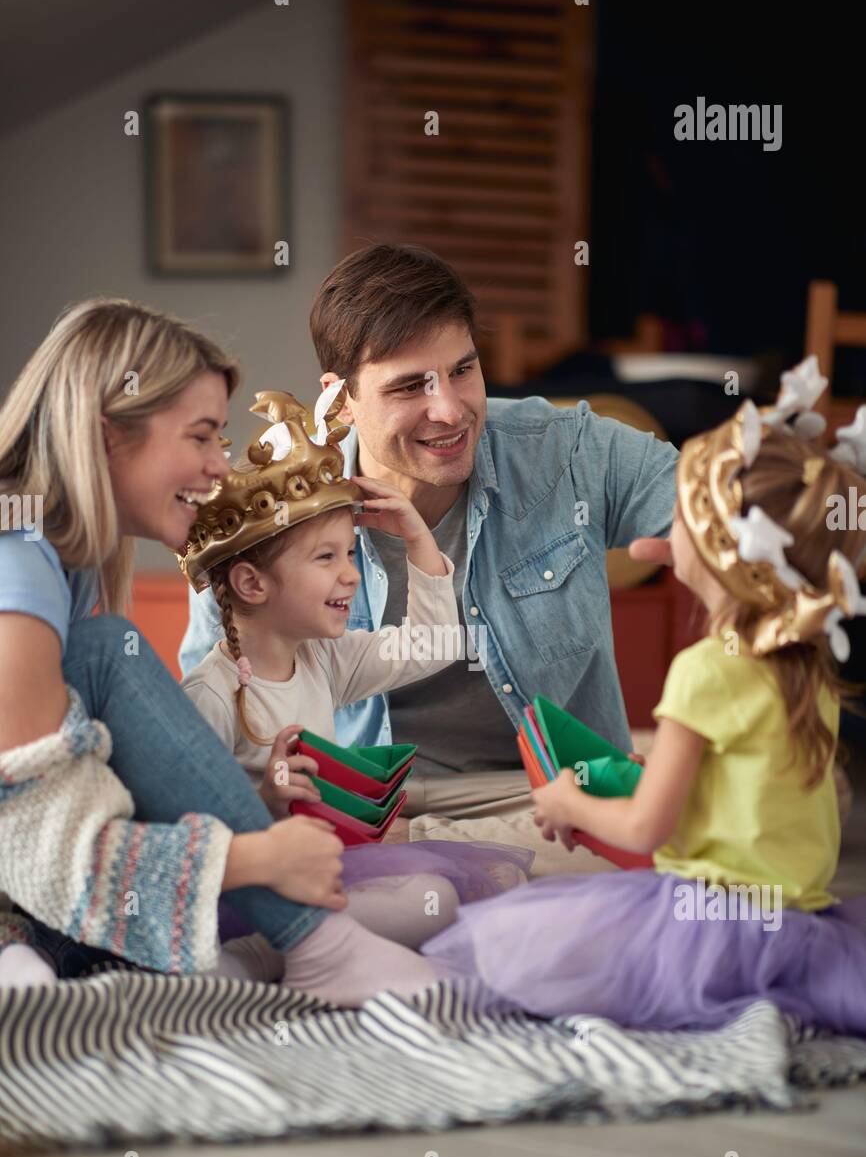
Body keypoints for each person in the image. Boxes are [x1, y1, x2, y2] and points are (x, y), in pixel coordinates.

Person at [0, 299, 443, 1003]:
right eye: (202, 437)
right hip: (39, 898)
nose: (218, 467)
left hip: (67, 901)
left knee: (422, 895)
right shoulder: (17, 577)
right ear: (108, 435)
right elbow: (56, 858)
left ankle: (294, 948)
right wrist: (254, 856)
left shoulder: (68, 568)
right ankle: (316, 948)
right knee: (108, 647)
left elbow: (427, 647)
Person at [180, 244, 678, 863]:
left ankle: (432, 863)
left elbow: (730, 510)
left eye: (463, 370)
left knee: (671, 841)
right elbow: (210, 730)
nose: (449, 410)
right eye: (410, 385)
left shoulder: (566, 454)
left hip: (540, 798)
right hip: (350, 810)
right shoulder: (266, 509)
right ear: (340, 399)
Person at [422, 362, 866, 1034]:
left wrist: (568, 801)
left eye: (681, 514)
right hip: (797, 926)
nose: (665, 525)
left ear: (716, 548)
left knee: (507, 956)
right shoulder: (807, 666)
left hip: (708, 930)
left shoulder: (704, 671)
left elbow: (643, 831)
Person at [177, 385, 531, 981]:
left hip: (321, 875)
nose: (349, 575)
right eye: (326, 559)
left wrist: (417, 538)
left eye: (350, 553)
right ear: (252, 583)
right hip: (248, 891)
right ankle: (263, 956)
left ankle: (287, 955)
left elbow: (433, 645)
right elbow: (183, 831)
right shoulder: (209, 696)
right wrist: (266, 801)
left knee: (438, 895)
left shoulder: (324, 659)